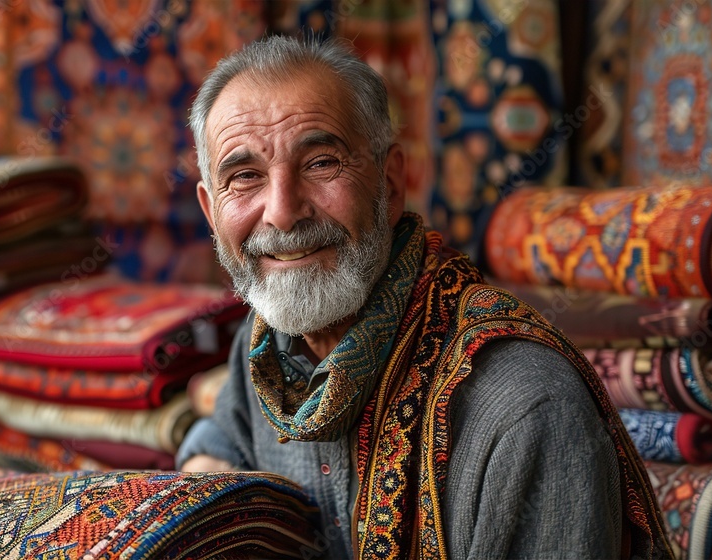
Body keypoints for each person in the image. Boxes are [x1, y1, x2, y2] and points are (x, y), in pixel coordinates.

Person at [176, 36, 671, 559]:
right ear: (211, 212)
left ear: (390, 185)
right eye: (244, 176)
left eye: (321, 163)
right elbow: (221, 440)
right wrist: (205, 475)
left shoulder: (527, 409)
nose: (281, 211)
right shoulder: (266, 352)